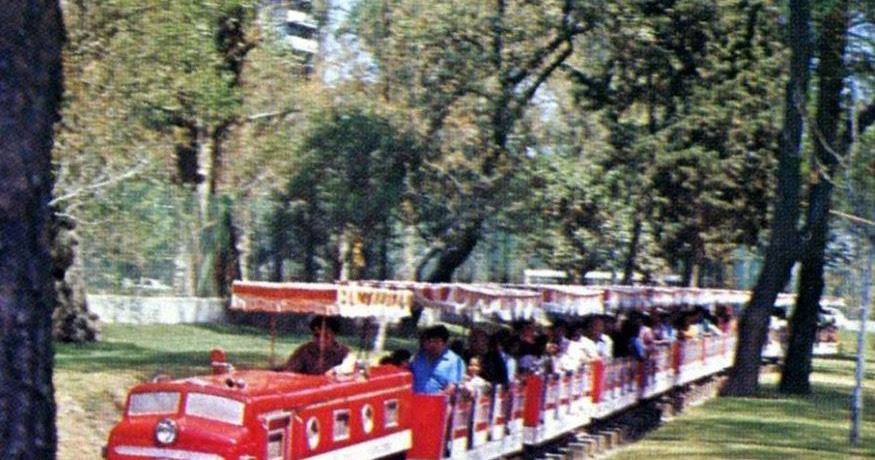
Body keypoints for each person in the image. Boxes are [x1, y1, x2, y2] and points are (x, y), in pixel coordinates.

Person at [285, 315, 354, 376]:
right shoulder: (305, 350)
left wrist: (335, 371)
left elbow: (350, 366)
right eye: (317, 335)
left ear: (333, 335)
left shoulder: (343, 352)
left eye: (326, 336)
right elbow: (289, 370)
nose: (321, 339)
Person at [410, 325, 465, 395]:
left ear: (445, 343)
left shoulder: (455, 361)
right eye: (430, 341)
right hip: (413, 400)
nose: (432, 345)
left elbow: (452, 387)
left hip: (437, 402)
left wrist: (435, 399)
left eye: (436, 342)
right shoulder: (419, 357)